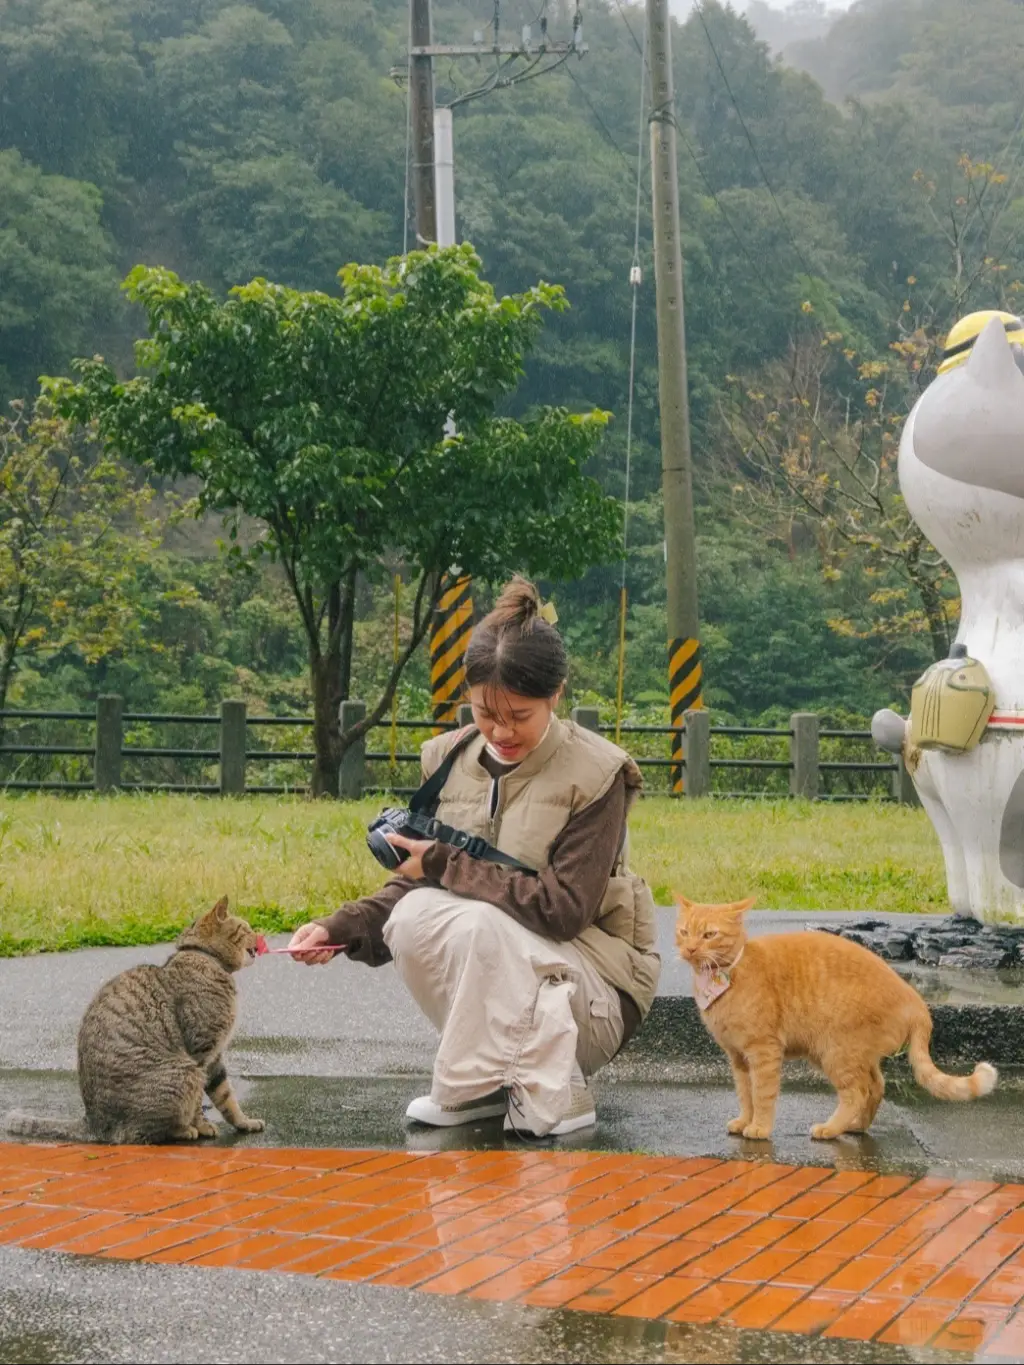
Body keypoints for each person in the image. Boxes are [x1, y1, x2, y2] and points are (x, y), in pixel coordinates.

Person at [287, 577, 661, 1137]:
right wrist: (337, 928)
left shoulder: (597, 773)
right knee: (415, 918)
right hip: (519, 970)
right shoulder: (447, 759)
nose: (501, 730)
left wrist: (441, 863)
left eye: (520, 714)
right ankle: (480, 1085)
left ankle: (562, 1092)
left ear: (556, 695)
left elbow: (563, 910)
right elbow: (420, 883)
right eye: (486, 712)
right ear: (469, 696)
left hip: (595, 993)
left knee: (481, 920)